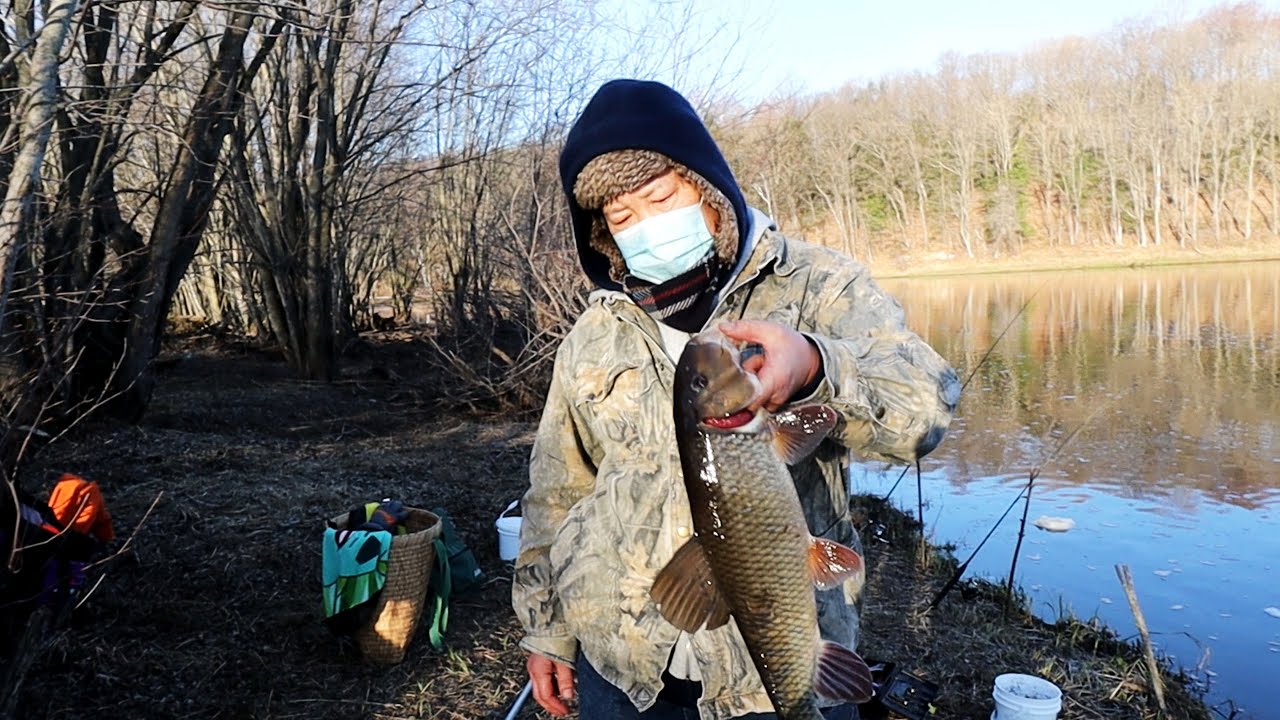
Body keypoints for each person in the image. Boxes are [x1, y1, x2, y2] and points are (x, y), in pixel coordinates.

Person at [511, 79, 960, 720]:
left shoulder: (818, 285)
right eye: (621, 217)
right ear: (602, 234)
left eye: (661, 196)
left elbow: (925, 412)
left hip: (781, 661)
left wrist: (814, 364)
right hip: (621, 662)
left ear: (707, 185)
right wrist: (546, 627)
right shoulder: (595, 333)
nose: (645, 226)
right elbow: (557, 489)